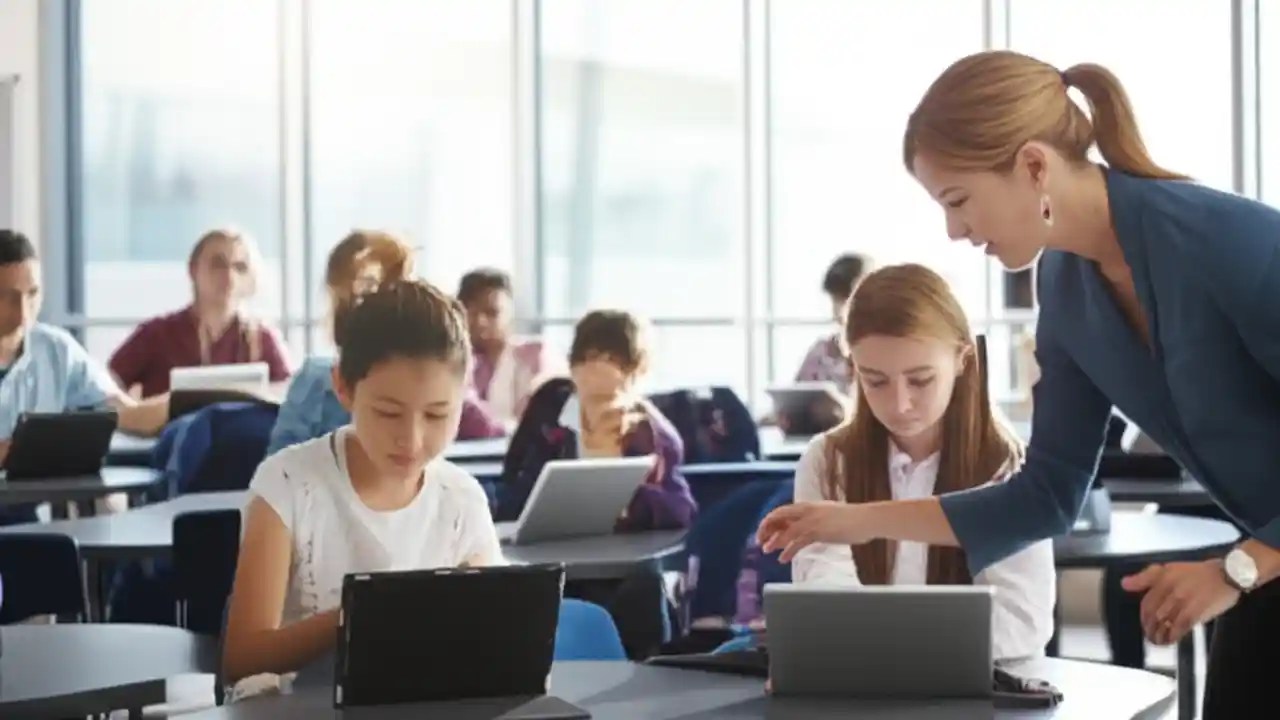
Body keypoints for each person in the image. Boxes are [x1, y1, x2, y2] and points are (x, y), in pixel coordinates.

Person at [757, 49, 1280, 717]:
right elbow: (1048, 495)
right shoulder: (1063, 289)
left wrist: (1239, 567)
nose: (953, 230)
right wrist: (853, 521)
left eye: (958, 200)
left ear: (1034, 165)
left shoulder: (1228, 241)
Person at [222, 279, 504, 690]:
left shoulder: (461, 499)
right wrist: (367, 616)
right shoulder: (288, 484)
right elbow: (243, 658)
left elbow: (496, 636)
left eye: (438, 414)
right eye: (389, 413)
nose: (411, 439)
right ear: (343, 388)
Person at [791, 264, 1054, 661]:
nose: (899, 404)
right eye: (875, 381)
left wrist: (885, 647)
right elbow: (824, 598)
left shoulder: (1008, 466)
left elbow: (1021, 621)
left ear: (963, 359)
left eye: (921, 380)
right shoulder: (827, 460)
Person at [265, 231, 505, 455]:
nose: (410, 439)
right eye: (388, 412)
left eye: (433, 414)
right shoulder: (317, 380)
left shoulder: (442, 372)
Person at [0, 231, 167, 505]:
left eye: (32, 294)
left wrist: (193, 399)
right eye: (8, 297)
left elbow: (127, 414)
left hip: (26, 514)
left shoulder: (57, 350)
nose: (23, 313)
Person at [496, 309, 696, 532]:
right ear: (574, 367)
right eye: (592, 357)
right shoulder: (549, 405)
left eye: (614, 361)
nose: (600, 371)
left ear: (636, 373)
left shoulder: (652, 435)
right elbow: (513, 476)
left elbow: (680, 511)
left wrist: (622, 490)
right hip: (539, 542)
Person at [109, 229, 292, 398]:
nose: (229, 276)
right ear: (193, 270)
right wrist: (137, 417)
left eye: (240, 267)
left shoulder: (262, 338)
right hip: (169, 432)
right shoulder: (156, 334)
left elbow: (288, 396)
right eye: (218, 264)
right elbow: (106, 388)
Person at [778, 253, 870, 436]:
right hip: (815, 444)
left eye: (845, 299)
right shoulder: (821, 352)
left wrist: (847, 413)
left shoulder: (886, 354)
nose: (837, 310)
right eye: (835, 300)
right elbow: (796, 398)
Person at [456, 268, 552, 428]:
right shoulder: (452, 361)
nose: (480, 321)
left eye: (492, 312)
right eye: (471, 313)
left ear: (510, 313)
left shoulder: (534, 355)